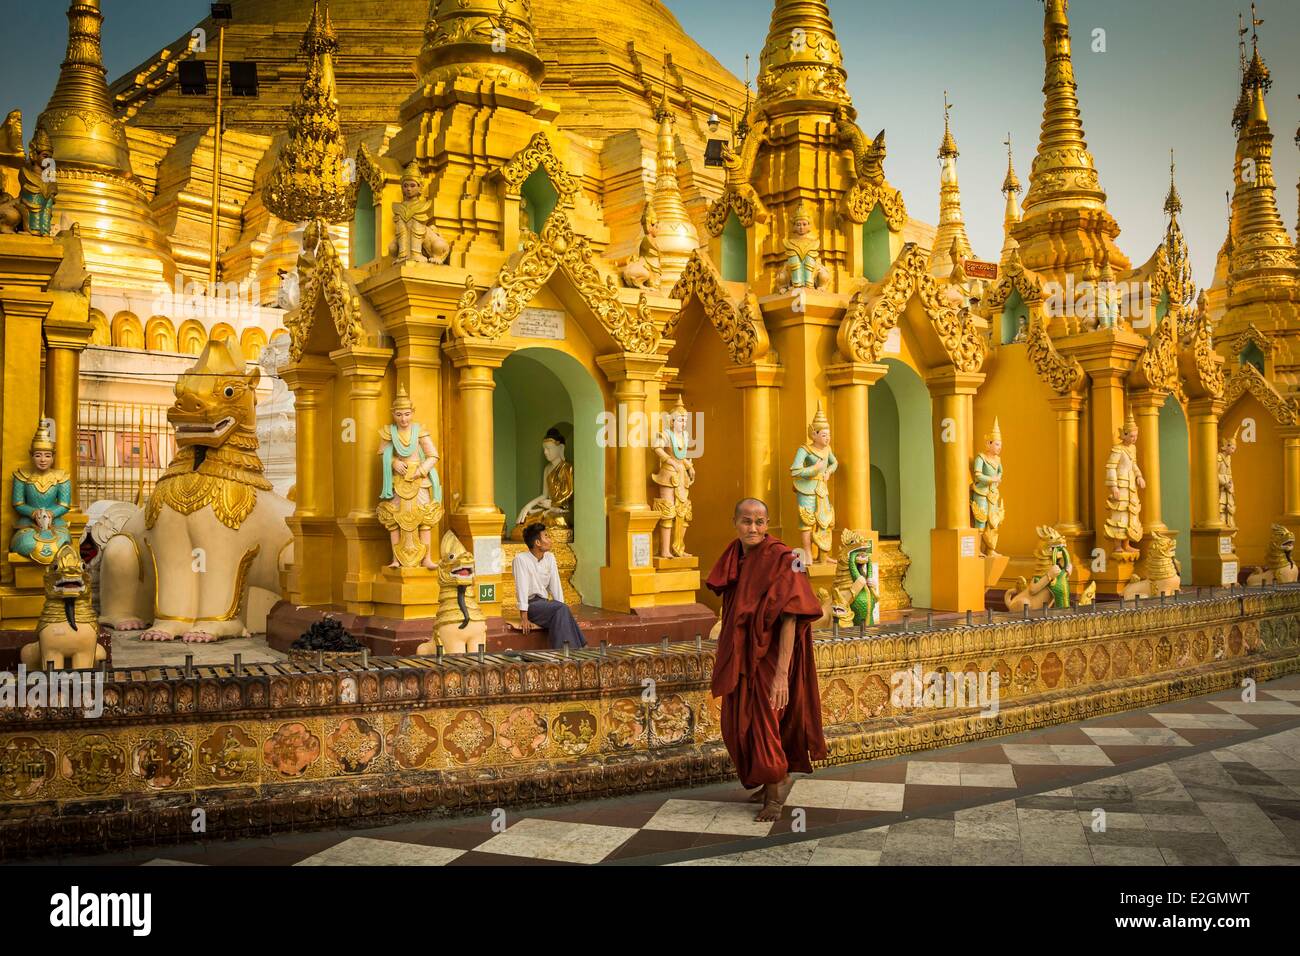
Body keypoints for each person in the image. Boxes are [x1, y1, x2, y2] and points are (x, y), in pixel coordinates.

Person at [706, 498, 826, 822]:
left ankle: (776, 791)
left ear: (768, 523)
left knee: (764, 720)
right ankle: (771, 776)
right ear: (735, 522)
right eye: (747, 521)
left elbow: (792, 618)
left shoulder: (784, 558)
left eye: (760, 522)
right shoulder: (735, 556)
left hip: (771, 656)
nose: (754, 528)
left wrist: (782, 673)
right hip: (743, 654)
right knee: (735, 723)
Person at [511, 522, 586, 649]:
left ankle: (565, 652)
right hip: (532, 607)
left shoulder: (550, 558)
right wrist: (524, 617)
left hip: (546, 605)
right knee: (560, 610)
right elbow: (521, 588)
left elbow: (555, 585)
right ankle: (580, 648)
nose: (550, 540)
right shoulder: (521, 559)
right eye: (546, 536)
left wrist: (561, 606)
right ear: (537, 543)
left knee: (561, 611)